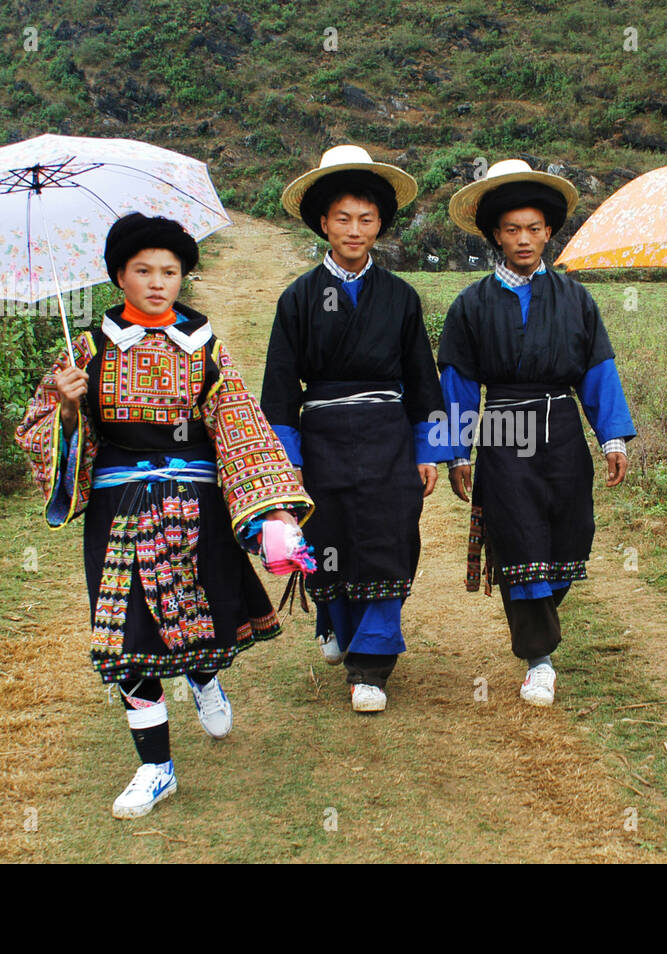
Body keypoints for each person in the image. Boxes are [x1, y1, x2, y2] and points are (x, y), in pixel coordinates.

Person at [16, 212, 313, 819]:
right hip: (119, 507)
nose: (157, 282)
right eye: (143, 270)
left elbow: (241, 428)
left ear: (183, 277)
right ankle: (156, 767)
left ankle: (203, 675)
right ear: (118, 276)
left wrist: (273, 512)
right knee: (125, 635)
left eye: (170, 271)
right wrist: (69, 412)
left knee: (199, 617)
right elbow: (39, 432)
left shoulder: (206, 350)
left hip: (195, 504)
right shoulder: (85, 351)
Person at [437, 159, 635, 707]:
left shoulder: (576, 299)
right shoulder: (471, 305)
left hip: (564, 428)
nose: (523, 239)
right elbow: (456, 383)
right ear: (494, 235)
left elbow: (598, 370)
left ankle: (539, 625)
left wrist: (611, 437)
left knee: (571, 535)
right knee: (519, 538)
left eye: (533, 228)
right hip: (503, 427)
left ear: (549, 231)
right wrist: (457, 453)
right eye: (511, 229)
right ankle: (539, 659)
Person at [261, 145, 449, 713]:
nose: (355, 229)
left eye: (366, 218)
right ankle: (337, 622)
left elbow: (423, 378)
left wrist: (428, 449)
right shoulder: (297, 298)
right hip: (320, 440)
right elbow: (279, 385)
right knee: (330, 536)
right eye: (343, 217)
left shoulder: (401, 297)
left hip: (389, 437)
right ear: (323, 222)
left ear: (380, 225)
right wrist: (286, 459)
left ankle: (372, 662)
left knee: (391, 536)